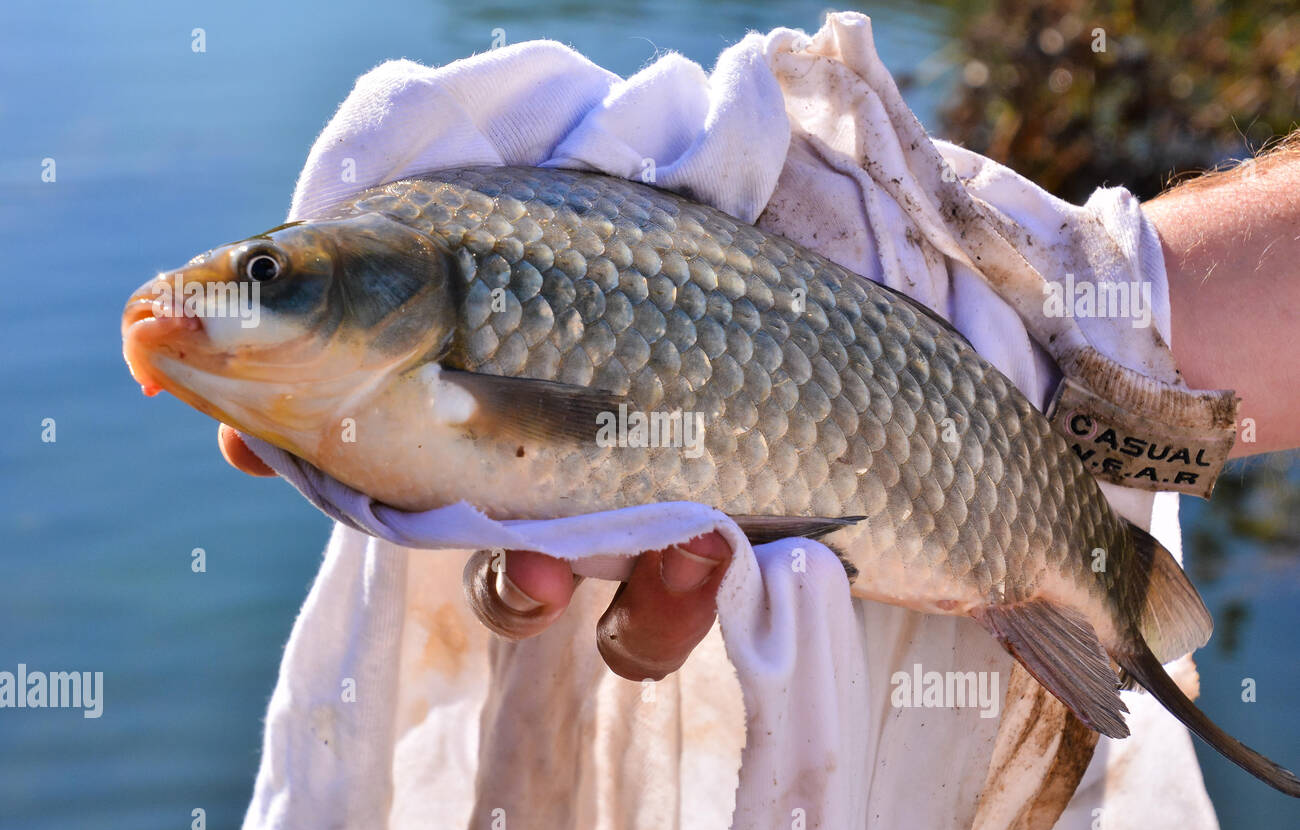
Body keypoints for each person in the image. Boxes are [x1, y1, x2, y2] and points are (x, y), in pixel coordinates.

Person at [218, 132, 1300, 683]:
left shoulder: (436, 266)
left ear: (396, 283)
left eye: (268, 277)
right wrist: (1126, 302)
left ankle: (1074, 570)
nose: (211, 309)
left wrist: (1093, 322)